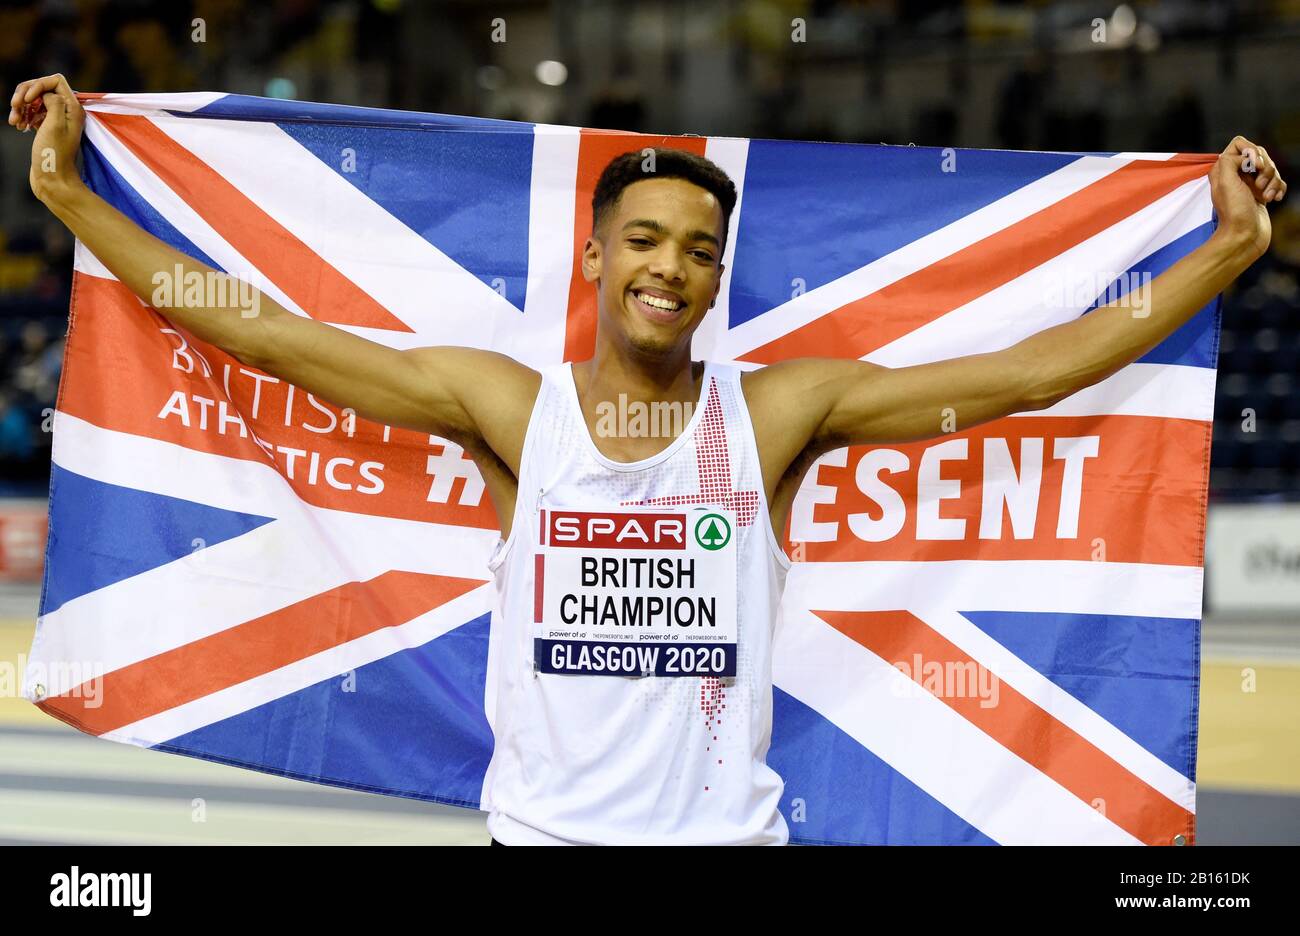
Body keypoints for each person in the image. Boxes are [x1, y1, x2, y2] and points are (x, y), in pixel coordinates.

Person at [9, 74, 1287, 846]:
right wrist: (71, 199)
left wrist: (1224, 252)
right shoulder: (513, 411)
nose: (668, 265)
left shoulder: (781, 414)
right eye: (644, 240)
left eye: (695, 249)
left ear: (718, 278)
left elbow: (1027, 374)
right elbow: (267, 335)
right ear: (595, 260)